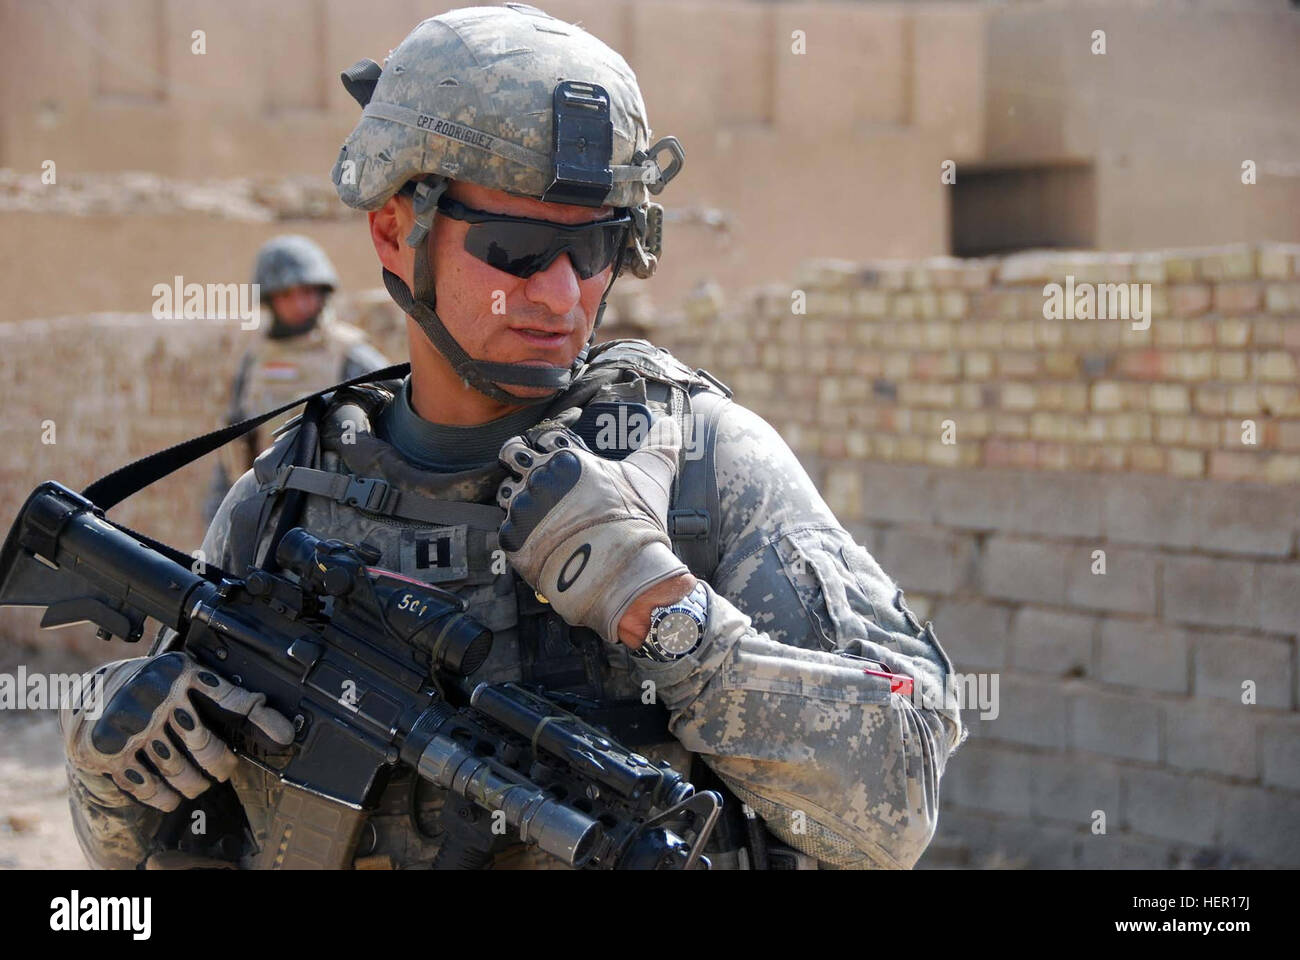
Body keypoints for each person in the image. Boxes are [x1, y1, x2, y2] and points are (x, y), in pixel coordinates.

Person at [60, 3, 965, 870]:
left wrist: (668, 617)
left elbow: (895, 815)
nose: (563, 295)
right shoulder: (287, 497)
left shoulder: (701, 467)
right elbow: (149, 850)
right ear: (392, 230)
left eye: (596, 248)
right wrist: (111, 777)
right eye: (517, 251)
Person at [201, 235, 389, 526]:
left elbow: (390, 426)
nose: (299, 304)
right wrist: (220, 511)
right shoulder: (253, 358)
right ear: (270, 300)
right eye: (286, 295)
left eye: (306, 292)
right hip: (263, 505)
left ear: (322, 293)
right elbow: (234, 439)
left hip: (332, 512)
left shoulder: (349, 354)